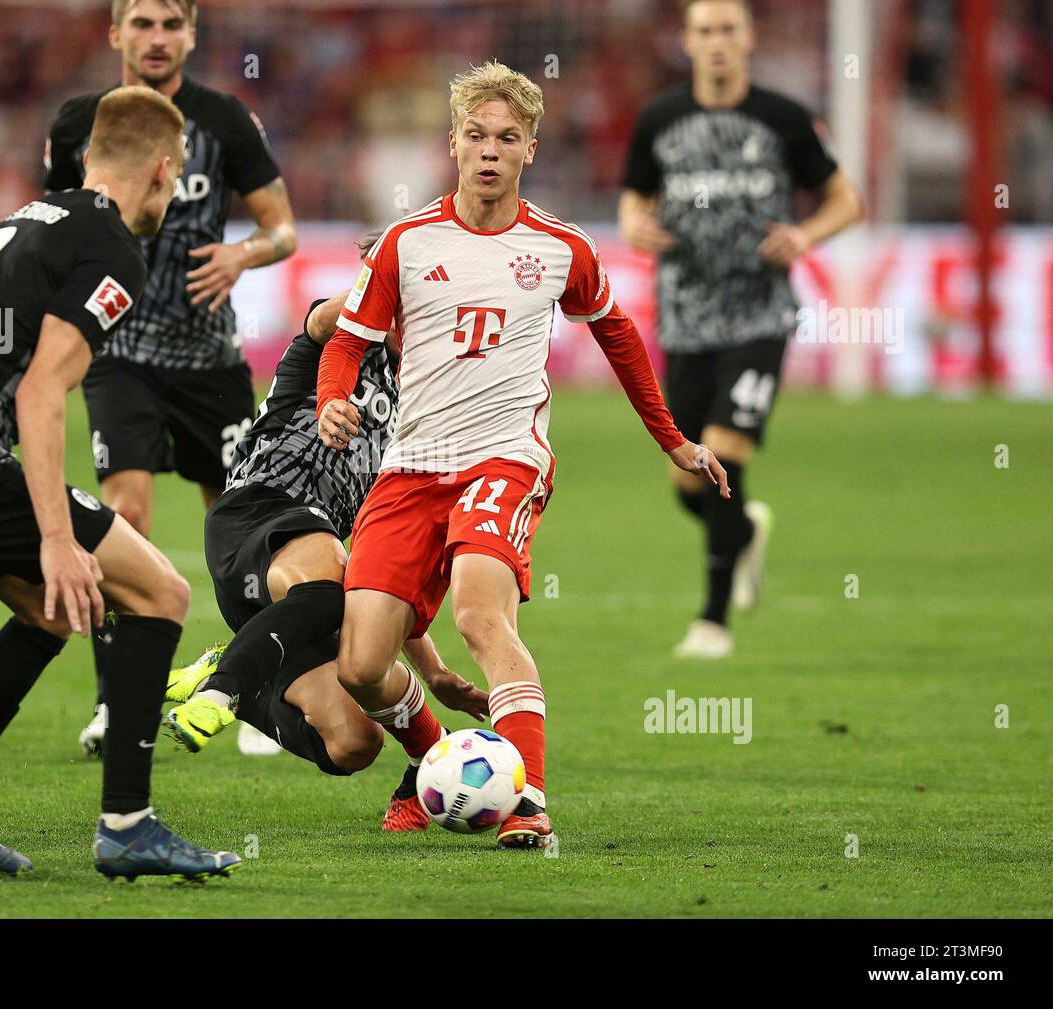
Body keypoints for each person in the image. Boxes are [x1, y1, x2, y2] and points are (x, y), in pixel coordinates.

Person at [315, 61, 729, 849]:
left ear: (530, 149)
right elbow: (346, 343)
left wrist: (671, 437)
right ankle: (435, 760)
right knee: (361, 663)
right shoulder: (406, 243)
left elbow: (618, 334)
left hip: (504, 458)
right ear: (454, 144)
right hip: (411, 465)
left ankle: (529, 799)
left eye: (508, 138)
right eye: (476, 136)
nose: (490, 151)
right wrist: (330, 398)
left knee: (478, 610)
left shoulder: (560, 247)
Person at [0, 86, 236, 881]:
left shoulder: (33, 218)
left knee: (45, 611)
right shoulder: (111, 250)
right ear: (165, 170)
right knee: (162, 592)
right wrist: (59, 538)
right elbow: (40, 393)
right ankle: (128, 826)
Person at [43, 0, 297, 753]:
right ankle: (117, 700)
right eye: (142, 24)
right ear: (114, 33)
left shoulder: (223, 120)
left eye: (170, 25)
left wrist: (241, 255)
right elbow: (54, 221)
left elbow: (280, 225)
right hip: (116, 354)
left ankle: (257, 694)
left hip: (211, 363)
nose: (157, 39)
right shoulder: (77, 124)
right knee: (125, 513)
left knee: (245, 529)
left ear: (192, 33)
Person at [161, 262, 486, 830]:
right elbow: (321, 318)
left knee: (352, 745)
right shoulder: (330, 344)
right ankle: (223, 690)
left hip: (298, 587)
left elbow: (380, 575)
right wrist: (387, 282)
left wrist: (434, 673)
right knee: (334, 586)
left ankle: (241, 666)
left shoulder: (419, 401)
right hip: (256, 513)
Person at [620, 0, 863, 658]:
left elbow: (848, 199)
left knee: (722, 453)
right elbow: (633, 200)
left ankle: (713, 620)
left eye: (728, 29)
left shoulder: (783, 118)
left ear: (749, 37)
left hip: (759, 314)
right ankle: (744, 529)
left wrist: (804, 235)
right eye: (704, 31)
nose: (717, 42)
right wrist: (634, 225)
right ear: (687, 41)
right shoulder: (660, 119)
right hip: (685, 316)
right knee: (687, 475)